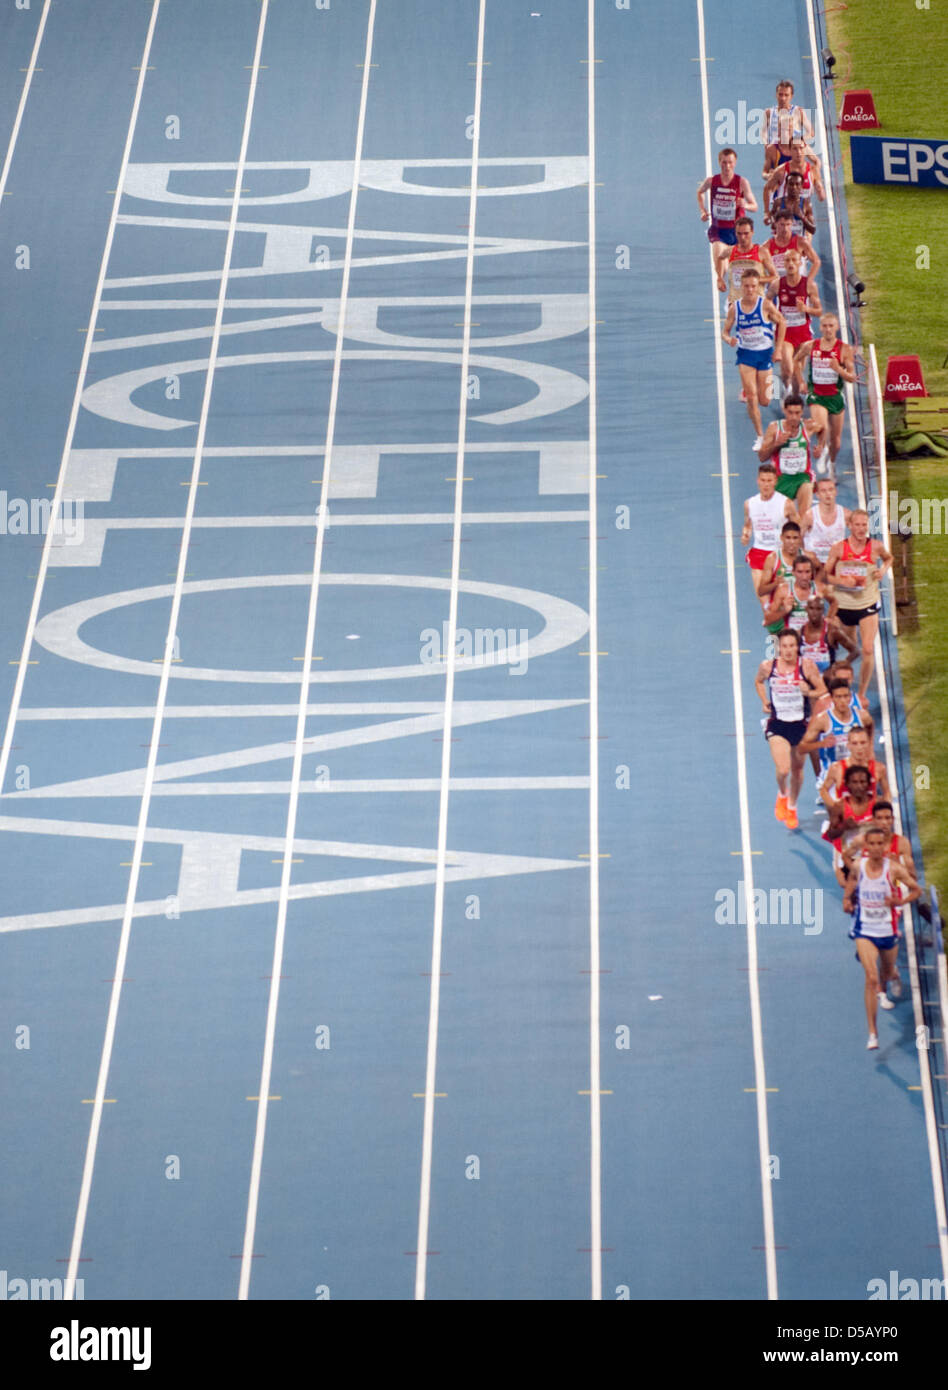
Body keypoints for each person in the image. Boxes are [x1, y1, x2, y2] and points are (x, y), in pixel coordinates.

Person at [843, 825, 920, 1049]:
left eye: (880, 844)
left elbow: (916, 890)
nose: (876, 848)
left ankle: (893, 974)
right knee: (872, 978)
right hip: (865, 929)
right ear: (866, 846)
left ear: (884, 846)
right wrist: (847, 899)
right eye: (872, 844)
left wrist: (900, 901)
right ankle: (873, 1033)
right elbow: (852, 880)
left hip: (887, 929)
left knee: (885, 973)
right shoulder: (859, 865)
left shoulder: (894, 869)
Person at [755, 628, 826, 830]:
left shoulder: (808, 667)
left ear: (798, 647)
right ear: (778, 648)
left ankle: (792, 807)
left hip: (800, 724)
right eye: (784, 646)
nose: (788, 650)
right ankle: (782, 794)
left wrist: (809, 691)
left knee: (797, 770)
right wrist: (764, 700)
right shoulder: (768, 667)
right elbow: (758, 682)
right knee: (783, 769)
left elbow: (823, 690)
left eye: (792, 646)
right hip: (778, 724)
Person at [824, 509, 893, 701]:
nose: (861, 529)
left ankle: (861, 694)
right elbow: (824, 575)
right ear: (850, 526)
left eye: (865, 525)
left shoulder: (876, 546)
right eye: (858, 525)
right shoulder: (838, 548)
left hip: (866, 606)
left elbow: (889, 558)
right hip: (843, 607)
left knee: (868, 648)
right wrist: (842, 581)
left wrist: (883, 569)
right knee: (833, 645)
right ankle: (828, 685)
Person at [722, 267, 786, 448]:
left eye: (753, 286)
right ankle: (760, 436)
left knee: (764, 401)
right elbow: (724, 332)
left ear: (758, 287)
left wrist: (779, 349)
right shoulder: (735, 308)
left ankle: (770, 385)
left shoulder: (764, 304)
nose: (750, 290)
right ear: (741, 287)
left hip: (764, 354)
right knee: (751, 397)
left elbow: (782, 322)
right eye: (746, 286)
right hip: (745, 355)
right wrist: (729, 340)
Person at [794, 313, 857, 473]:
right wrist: (801, 381)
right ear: (820, 327)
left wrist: (838, 370)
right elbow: (796, 360)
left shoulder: (844, 349)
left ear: (836, 328)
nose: (828, 329)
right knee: (822, 426)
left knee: (836, 443)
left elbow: (852, 378)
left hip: (835, 397)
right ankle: (821, 451)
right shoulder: (810, 345)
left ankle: (832, 463)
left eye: (831, 326)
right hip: (816, 395)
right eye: (825, 326)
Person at [742, 466, 799, 601]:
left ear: (775, 481)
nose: (766, 484)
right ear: (758, 481)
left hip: (780, 555)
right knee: (764, 602)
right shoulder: (749, 503)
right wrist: (746, 534)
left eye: (769, 480)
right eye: (763, 480)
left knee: (784, 600)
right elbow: (747, 524)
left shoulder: (786, 503)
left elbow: (798, 527)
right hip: (759, 553)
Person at [757, 391, 818, 516]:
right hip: (781, 479)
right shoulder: (774, 428)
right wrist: (776, 443)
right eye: (790, 413)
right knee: (783, 519)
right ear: (784, 411)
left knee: (805, 510)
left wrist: (821, 446)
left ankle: (802, 531)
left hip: (802, 477)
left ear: (802, 412)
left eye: (797, 413)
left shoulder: (808, 426)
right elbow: (762, 457)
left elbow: (823, 427)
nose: (794, 417)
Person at [772, 249, 822, 396]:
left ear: (800, 263)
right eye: (787, 260)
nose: (791, 263)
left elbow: (819, 311)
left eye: (794, 260)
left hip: (803, 334)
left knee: (798, 368)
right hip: (785, 334)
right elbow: (766, 305)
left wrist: (806, 308)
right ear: (783, 263)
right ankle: (787, 389)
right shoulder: (777, 285)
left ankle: (792, 396)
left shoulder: (809, 285)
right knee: (788, 368)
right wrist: (775, 317)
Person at [697, 147, 757, 247]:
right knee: (720, 257)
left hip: (737, 231)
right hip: (718, 230)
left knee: (734, 262)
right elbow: (700, 192)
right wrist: (702, 210)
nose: (727, 166)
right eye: (724, 162)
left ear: (735, 163)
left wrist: (745, 205)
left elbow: (754, 207)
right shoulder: (711, 181)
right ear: (719, 162)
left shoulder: (742, 182)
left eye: (730, 162)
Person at [716, 217, 779, 303]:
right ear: (735, 233)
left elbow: (775, 277)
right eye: (739, 233)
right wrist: (719, 278)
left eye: (746, 233)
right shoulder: (730, 251)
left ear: (752, 232)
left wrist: (756, 279)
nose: (742, 237)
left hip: (756, 303)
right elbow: (720, 258)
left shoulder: (761, 252)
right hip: (735, 303)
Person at [761, 80, 815, 174]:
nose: (783, 98)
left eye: (786, 95)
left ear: (791, 96)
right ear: (776, 95)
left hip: (794, 153)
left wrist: (799, 142)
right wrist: (766, 145)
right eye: (780, 94)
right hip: (777, 153)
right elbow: (763, 132)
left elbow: (810, 132)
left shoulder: (798, 111)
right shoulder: (769, 112)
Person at [800, 476, 851, 574]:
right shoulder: (810, 516)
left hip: (835, 562)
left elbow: (859, 534)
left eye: (831, 490)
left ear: (836, 492)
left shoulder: (846, 514)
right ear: (817, 494)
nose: (828, 494)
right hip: (814, 563)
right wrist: (805, 554)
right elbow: (798, 537)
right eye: (823, 491)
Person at [765, 169, 816, 238]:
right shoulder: (778, 202)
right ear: (786, 185)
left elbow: (813, 230)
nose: (794, 187)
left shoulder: (806, 204)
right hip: (781, 244)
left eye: (797, 184)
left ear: (801, 186)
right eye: (791, 184)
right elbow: (771, 223)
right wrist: (771, 220)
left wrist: (802, 217)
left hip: (798, 245)